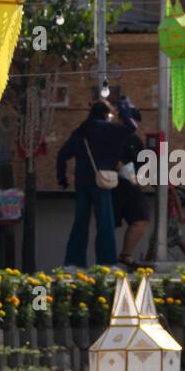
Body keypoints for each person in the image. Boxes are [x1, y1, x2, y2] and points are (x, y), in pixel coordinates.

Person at [57, 99, 134, 268]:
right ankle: (107, 262)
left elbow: (62, 155)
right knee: (105, 222)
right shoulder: (108, 129)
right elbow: (131, 127)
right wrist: (123, 107)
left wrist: (62, 178)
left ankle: (73, 262)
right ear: (106, 114)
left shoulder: (80, 130)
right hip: (102, 182)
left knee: (80, 223)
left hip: (82, 182)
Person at [112, 109, 150, 269]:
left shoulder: (134, 140)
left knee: (138, 219)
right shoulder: (111, 137)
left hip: (126, 185)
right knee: (111, 222)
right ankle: (116, 256)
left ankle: (124, 255)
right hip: (116, 185)